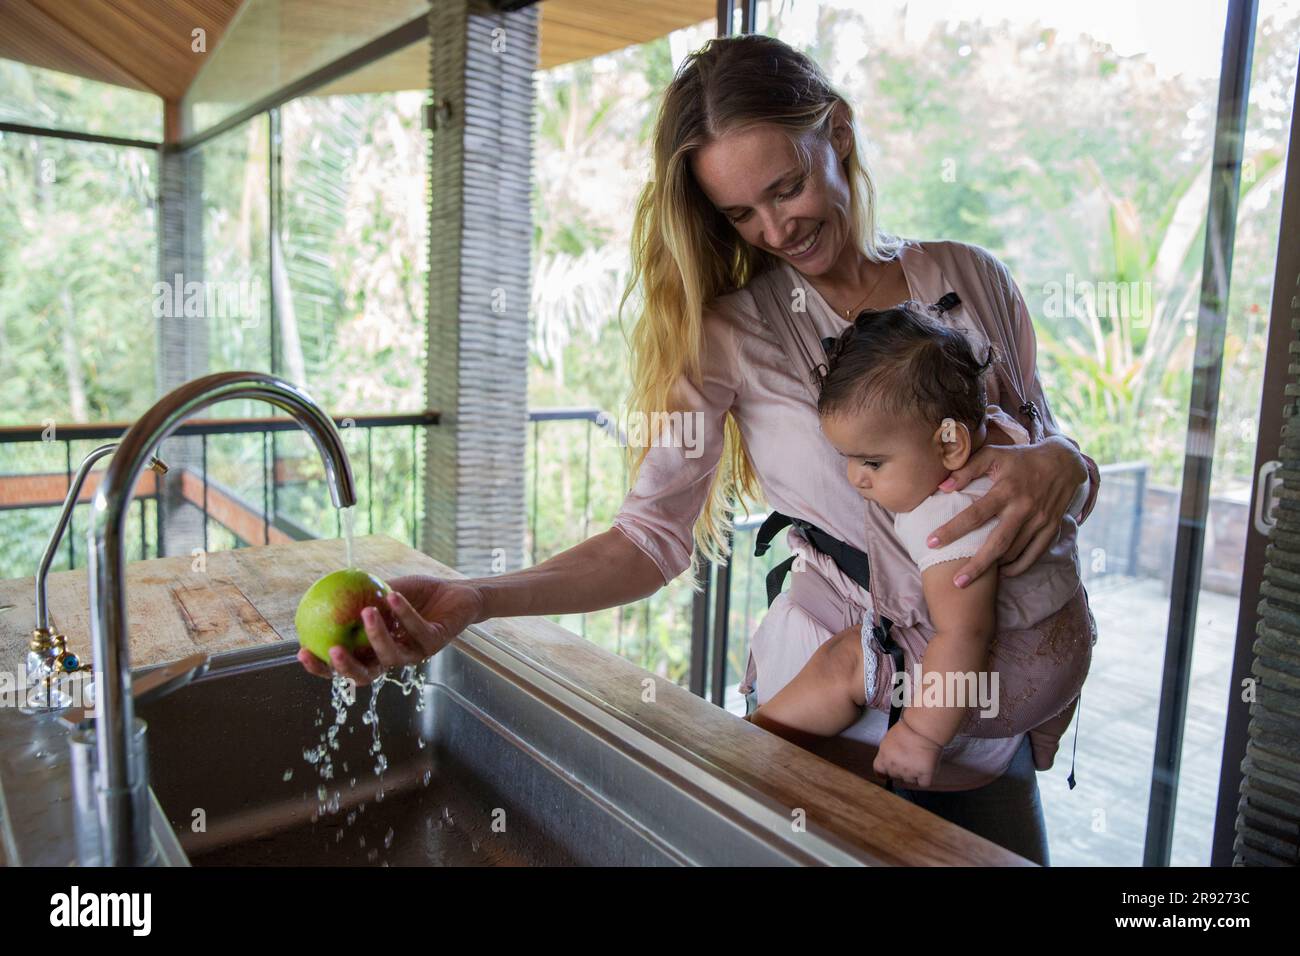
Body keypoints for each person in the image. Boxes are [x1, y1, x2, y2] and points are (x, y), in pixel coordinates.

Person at [297, 33, 1100, 865]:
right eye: (740, 213)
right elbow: (648, 538)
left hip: (992, 707)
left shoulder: (973, 278)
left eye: (786, 187)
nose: (776, 228)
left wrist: (1070, 465)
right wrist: (476, 598)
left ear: (842, 134)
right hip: (837, 709)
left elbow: (1040, 461)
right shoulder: (729, 334)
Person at [746, 303, 1095, 791]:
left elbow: (964, 634)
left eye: (872, 461)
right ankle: (1047, 739)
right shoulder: (1007, 440)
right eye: (848, 458)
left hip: (1014, 681)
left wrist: (921, 735)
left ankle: (739, 752)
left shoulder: (946, 517)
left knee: (843, 661)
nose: (855, 478)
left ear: (949, 445)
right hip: (1070, 650)